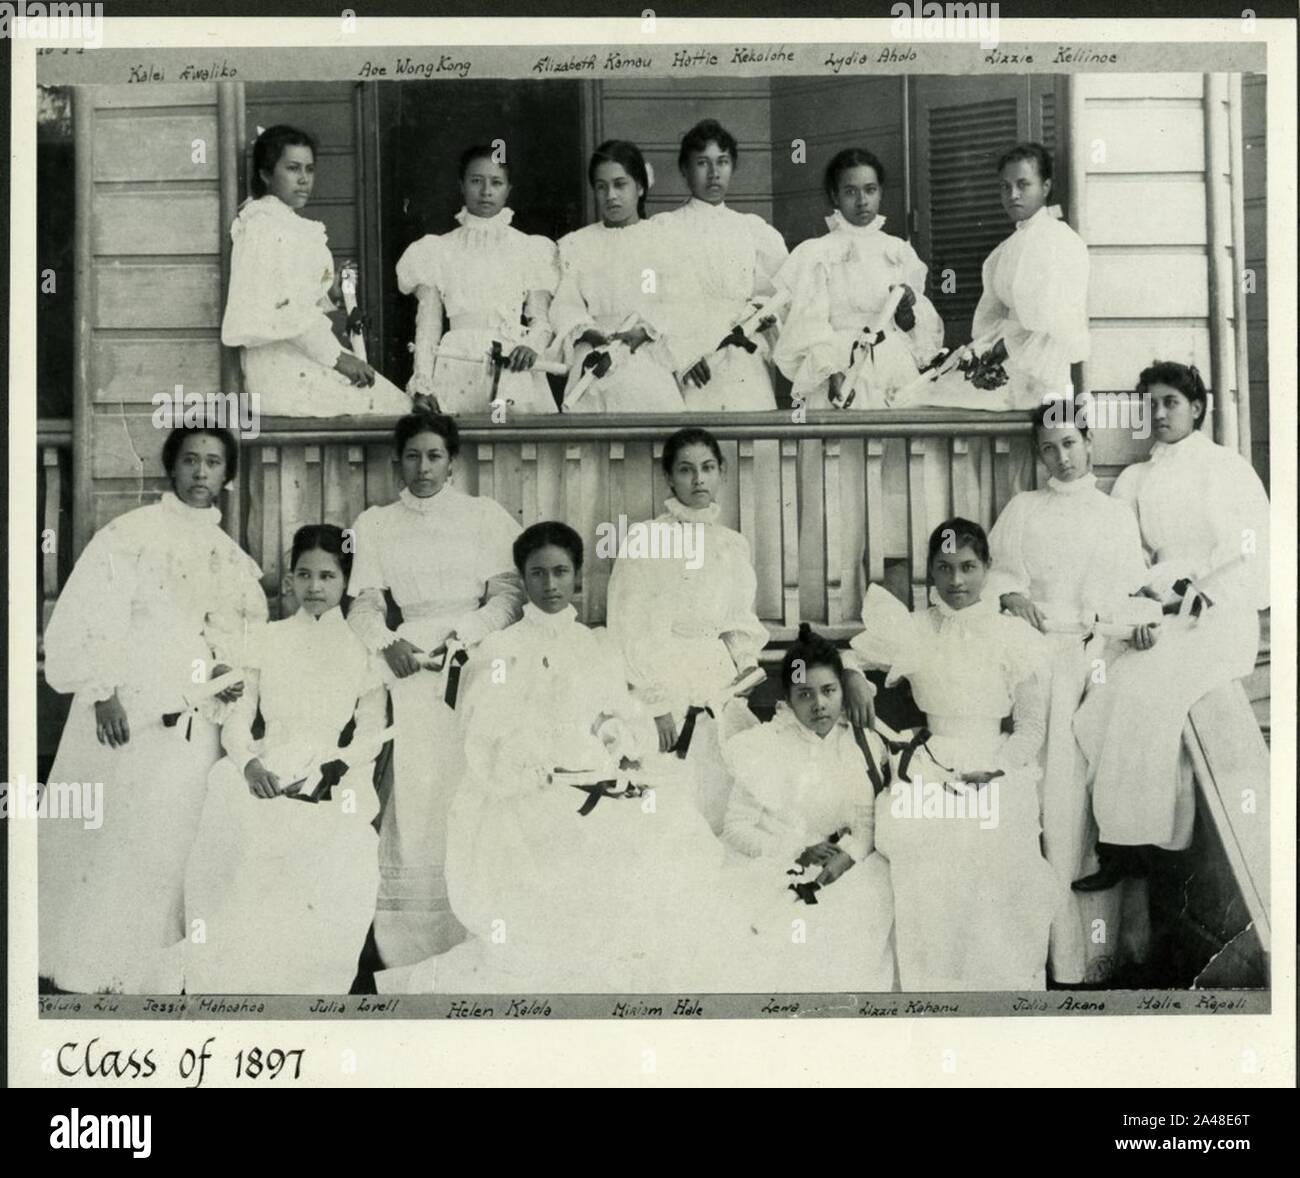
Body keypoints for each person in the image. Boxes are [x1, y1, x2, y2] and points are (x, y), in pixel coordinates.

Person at [376, 522, 727, 994]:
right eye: (537, 574)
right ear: (523, 580)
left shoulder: (595, 644)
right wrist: (533, 767)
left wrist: (617, 743)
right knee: (564, 844)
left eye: (561, 572)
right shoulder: (501, 649)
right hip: (525, 789)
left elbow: (611, 715)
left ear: (577, 577)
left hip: (592, 778)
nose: (550, 585)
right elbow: (485, 732)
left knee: (673, 829)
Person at [39, 425, 267, 993]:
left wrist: (224, 674)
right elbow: (92, 613)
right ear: (172, 467)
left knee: (170, 831)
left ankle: (151, 969)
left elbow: (229, 639)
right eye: (189, 460)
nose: (199, 472)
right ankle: (88, 963)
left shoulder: (230, 557)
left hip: (191, 708)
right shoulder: (131, 534)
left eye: (213, 463)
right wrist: (102, 690)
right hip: (128, 694)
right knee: (117, 826)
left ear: (227, 476)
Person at [1073, 362, 1270, 888]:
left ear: (1197, 408)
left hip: (1217, 617)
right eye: (1151, 404)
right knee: (1102, 691)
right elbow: (1121, 557)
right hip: (1156, 616)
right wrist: (1136, 611)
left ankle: (1140, 846)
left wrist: (1204, 592)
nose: (1158, 413)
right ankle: (1122, 835)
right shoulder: (1138, 478)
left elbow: (1250, 548)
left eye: (1171, 403)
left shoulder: (1224, 468)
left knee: (1144, 687)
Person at [850, 518, 1062, 991]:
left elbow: (1030, 728)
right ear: (930, 571)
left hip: (998, 763)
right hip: (930, 762)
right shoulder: (915, 629)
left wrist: (999, 769)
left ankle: (998, 987)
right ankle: (933, 989)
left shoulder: (1015, 637)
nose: (957, 581)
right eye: (944, 568)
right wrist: (851, 679)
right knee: (928, 862)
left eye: (968, 566)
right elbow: (852, 659)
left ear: (987, 568)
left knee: (993, 859)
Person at [346, 411, 525, 969]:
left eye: (434, 456)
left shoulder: (483, 516)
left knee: (468, 780)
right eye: (412, 457)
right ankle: (410, 947)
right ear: (397, 461)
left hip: (471, 659)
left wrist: (464, 636)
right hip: (409, 665)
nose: (423, 468)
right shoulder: (376, 523)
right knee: (418, 786)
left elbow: (507, 598)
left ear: (453, 461)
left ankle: (475, 932)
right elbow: (364, 604)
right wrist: (384, 643)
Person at [986, 399, 1155, 984]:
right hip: (1035, 660)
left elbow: (1130, 596)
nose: (1061, 456)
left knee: (1079, 805)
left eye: (1070, 443)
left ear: (1089, 443)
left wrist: (1111, 639)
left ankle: (1088, 956)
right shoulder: (1024, 509)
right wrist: (1010, 595)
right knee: (1036, 803)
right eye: (1049, 448)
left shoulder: (1113, 516)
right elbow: (998, 576)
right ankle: (1041, 955)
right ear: (1039, 454)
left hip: (1094, 659)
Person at [183, 525, 387, 994]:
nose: (314, 587)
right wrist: (252, 765)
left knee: (339, 844)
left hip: (334, 772)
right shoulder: (267, 638)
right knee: (235, 808)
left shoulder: (360, 649)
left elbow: (372, 733)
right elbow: (238, 718)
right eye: (303, 574)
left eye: (327, 576)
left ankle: (307, 979)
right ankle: (239, 974)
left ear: (345, 581)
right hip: (269, 764)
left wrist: (334, 769)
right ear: (290, 579)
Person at [721, 623, 897, 992]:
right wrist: (795, 851)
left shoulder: (859, 742)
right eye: (805, 694)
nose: (818, 704)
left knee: (848, 929)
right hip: (776, 861)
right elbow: (736, 828)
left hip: (849, 866)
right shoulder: (764, 747)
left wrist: (846, 857)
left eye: (828, 691)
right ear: (787, 697)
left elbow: (869, 823)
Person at [221, 124, 411, 417]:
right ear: (266, 173)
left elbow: (294, 302)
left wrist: (331, 295)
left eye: (309, 170)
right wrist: (337, 358)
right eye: (293, 168)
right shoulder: (262, 226)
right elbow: (280, 309)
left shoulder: (286, 225)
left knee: (394, 406)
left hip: (301, 357)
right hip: (280, 368)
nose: (304, 179)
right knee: (393, 410)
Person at [911, 142, 1090, 414]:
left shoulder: (1060, 241)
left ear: (1045, 187)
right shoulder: (1006, 248)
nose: (1013, 195)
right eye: (1005, 187)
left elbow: (1053, 319)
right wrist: (983, 353)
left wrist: (1005, 348)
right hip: (1006, 353)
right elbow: (992, 313)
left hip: (1040, 361)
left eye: (1023, 184)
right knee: (933, 396)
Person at [774, 148, 944, 410]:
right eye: (851, 191)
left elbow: (915, 329)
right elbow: (808, 323)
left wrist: (906, 312)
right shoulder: (818, 252)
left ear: (880, 192)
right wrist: (830, 371)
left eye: (870, 190)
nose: (862, 200)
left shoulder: (898, 251)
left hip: (893, 364)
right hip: (840, 365)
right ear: (835, 195)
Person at [397, 145, 558, 416]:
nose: (486, 192)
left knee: (508, 444)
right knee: (461, 445)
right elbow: (428, 326)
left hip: (510, 365)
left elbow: (540, 319)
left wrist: (531, 347)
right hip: (456, 364)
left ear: (508, 189)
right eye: (476, 181)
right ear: (461, 185)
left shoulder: (530, 249)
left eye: (496, 182)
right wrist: (423, 384)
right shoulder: (438, 250)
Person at [655, 119, 789, 411]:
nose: (714, 174)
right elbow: (650, 299)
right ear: (685, 170)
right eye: (703, 163)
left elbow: (778, 296)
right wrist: (683, 356)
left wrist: (766, 315)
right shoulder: (664, 228)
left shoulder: (753, 230)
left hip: (743, 359)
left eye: (723, 162)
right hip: (693, 360)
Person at [549, 140, 685, 413]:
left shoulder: (660, 240)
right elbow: (567, 303)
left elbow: (671, 300)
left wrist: (644, 330)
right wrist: (586, 330)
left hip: (644, 355)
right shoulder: (578, 245)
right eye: (602, 187)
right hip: (594, 357)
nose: (611, 195)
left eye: (620, 184)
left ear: (640, 187)